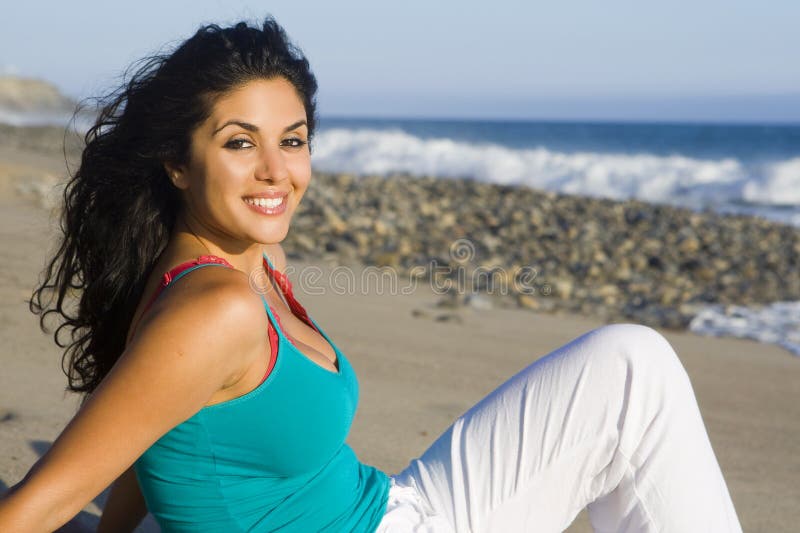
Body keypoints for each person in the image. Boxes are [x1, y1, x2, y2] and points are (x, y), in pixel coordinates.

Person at [0, 18, 742, 533]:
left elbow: (152, 428)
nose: (276, 172)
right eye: (238, 143)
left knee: (628, 362)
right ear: (176, 163)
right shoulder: (215, 308)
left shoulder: (253, 267)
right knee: (636, 370)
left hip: (388, 503)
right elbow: (30, 508)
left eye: (292, 141)